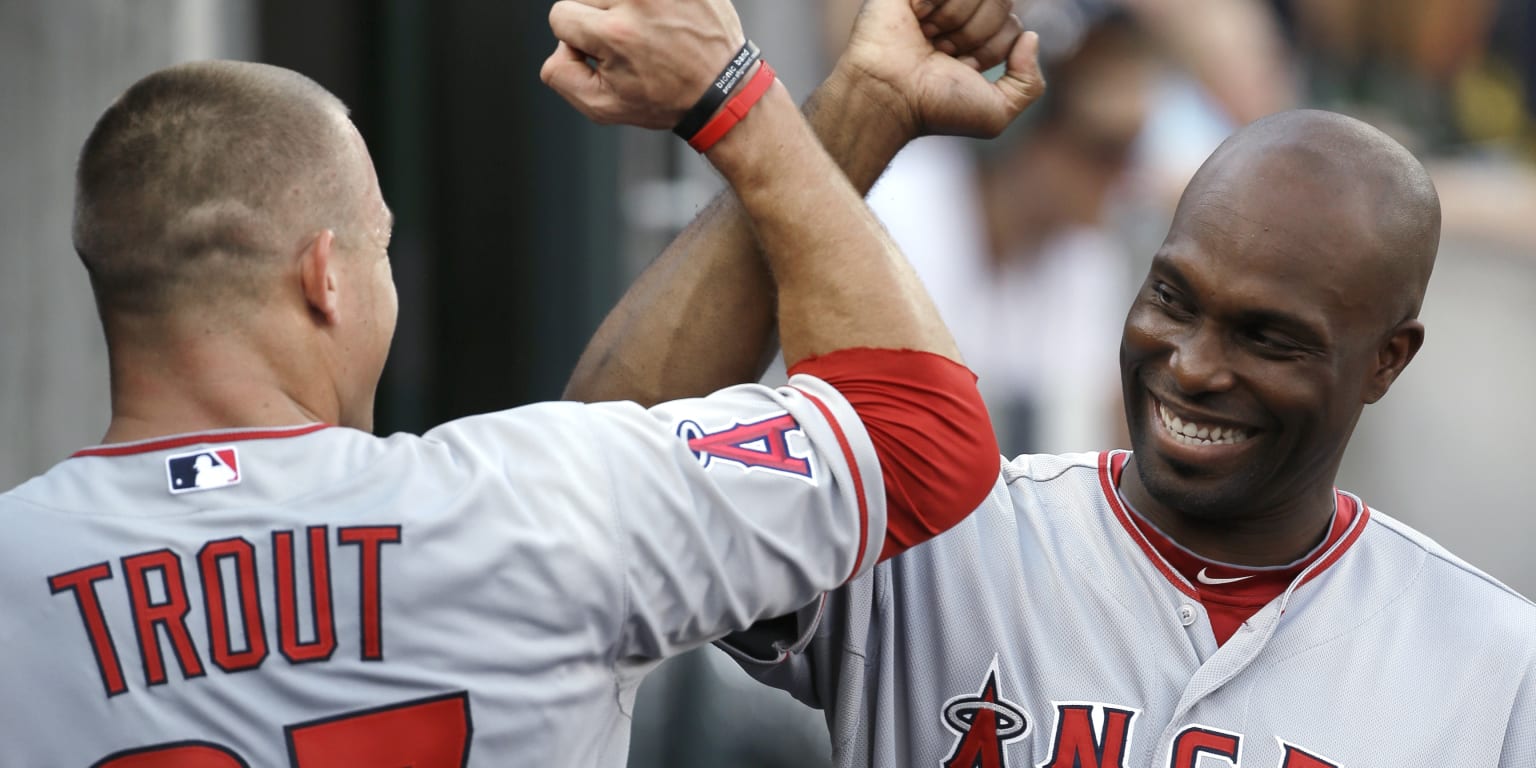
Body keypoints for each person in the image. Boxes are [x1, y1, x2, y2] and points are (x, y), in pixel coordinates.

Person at [0, 0, 1044, 764]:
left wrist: (859, 104)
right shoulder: (525, 506)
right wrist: (735, 98)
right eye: (378, 251)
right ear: (326, 278)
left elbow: (629, 440)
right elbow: (922, 435)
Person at [566, 19, 1536, 768]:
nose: (1194, 364)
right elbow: (592, 496)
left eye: (1266, 337)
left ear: (1386, 361)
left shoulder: (1495, 666)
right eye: (1172, 299)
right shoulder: (943, 540)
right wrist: (862, 107)